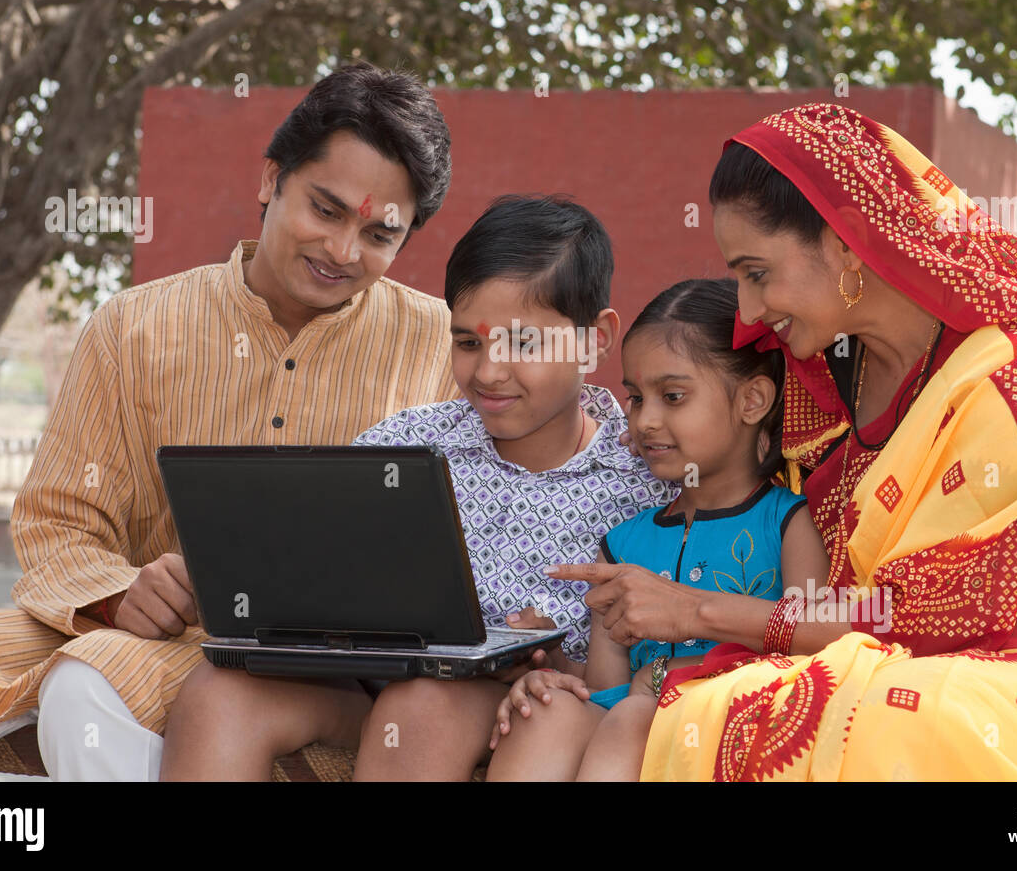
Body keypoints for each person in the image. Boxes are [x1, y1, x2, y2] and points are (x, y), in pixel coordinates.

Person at [550, 102, 1017, 780]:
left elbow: (928, 619)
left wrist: (697, 610)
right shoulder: (817, 380)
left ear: (844, 240)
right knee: (702, 704)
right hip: (851, 656)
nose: (746, 310)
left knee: (900, 715)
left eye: (757, 273)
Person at [0, 62, 464, 781]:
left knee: (86, 688)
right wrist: (116, 593)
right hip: (138, 635)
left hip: (326, 674)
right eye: (325, 208)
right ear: (270, 180)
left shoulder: (443, 348)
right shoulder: (136, 327)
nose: (344, 251)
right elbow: (58, 524)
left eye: (380, 234)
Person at [159, 194, 678, 781]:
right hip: (367, 688)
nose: (488, 372)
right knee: (219, 688)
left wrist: (560, 663)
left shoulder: (648, 474)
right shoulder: (406, 446)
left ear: (595, 339)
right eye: (467, 342)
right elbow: (314, 564)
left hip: (517, 708)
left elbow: (657, 660)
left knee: (425, 701)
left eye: (522, 345)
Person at [484, 278, 828, 780]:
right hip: (628, 720)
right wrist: (551, 665)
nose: (644, 420)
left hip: (736, 720)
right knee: (546, 711)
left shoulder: (787, 522)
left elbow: (814, 645)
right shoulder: (624, 543)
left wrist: (668, 682)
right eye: (636, 397)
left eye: (672, 396)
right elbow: (606, 690)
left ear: (752, 401)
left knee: (636, 714)